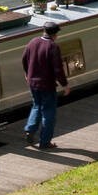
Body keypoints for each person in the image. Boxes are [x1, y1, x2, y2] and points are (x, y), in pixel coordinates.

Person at [22, 21, 70, 150]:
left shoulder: (33, 42)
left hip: (32, 83)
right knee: (48, 113)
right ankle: (45, 142)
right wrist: (64, 85)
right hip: (47, 85)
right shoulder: (53, 47)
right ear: (55, 34)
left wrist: (27, 73)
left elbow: (24, 58)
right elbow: (58, 69)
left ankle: (30, 129)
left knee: (36, 105)